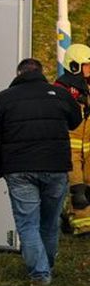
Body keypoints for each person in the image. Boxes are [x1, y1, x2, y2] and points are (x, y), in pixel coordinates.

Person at [0, 58, 81, 285]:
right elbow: (75, 121)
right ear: (41, 72)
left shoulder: (3, 99)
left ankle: (41, 274)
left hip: (19, 170)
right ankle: (45, 267)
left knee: (28, 223)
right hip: (56, 167)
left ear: (18, 73)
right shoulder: (59, 94)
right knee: (50, 222)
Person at [54, 44, 90, 236]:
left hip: (88, 147)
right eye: (86, 66)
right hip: (71, 147)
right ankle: (82, 227)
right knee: (78, 190)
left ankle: (72, 219)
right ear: (75, 66)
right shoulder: (61, 89)